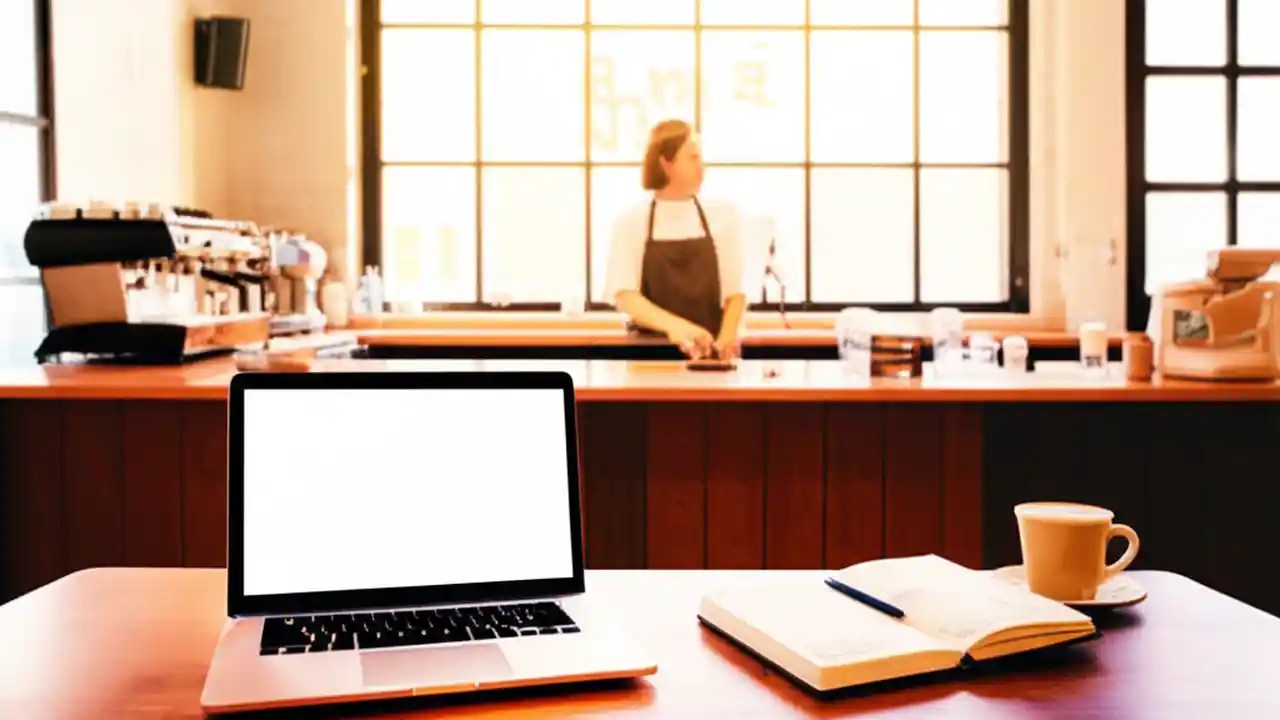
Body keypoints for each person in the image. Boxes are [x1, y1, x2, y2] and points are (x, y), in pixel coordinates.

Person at [603, 119, 746, 360]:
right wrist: (679, 328)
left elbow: (736, 293)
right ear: (666, 163)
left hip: (709, 355)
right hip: (648, 359)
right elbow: (625, 296)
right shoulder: (631, 221)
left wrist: (725, 340)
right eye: (693, 158)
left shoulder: (724, 215)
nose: (701, 167)